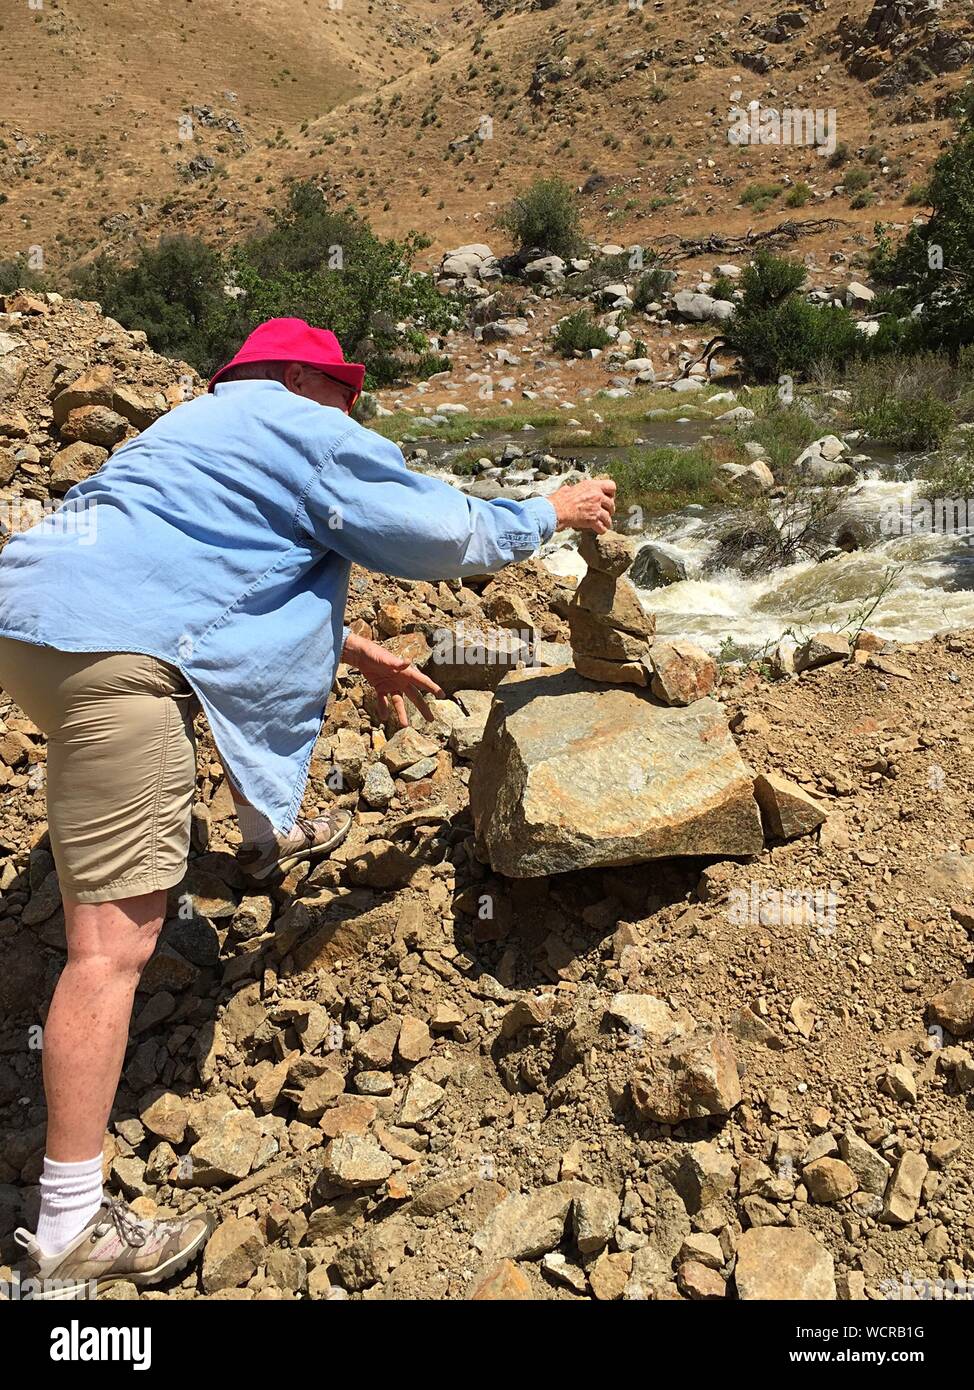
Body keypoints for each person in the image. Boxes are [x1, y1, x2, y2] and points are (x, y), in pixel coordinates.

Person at [0, 316, 616, 1296]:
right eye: (343, 387)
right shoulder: (305, 422)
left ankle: (264, 836)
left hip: (34, 627)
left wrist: (359, 648)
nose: (352, 406)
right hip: (107, 655)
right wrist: (550, 507)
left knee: (186, 696)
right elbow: (439, 533)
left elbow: (206, 588)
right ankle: (70, 1230)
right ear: (295, 375)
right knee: (110, 950)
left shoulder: (187, 428)